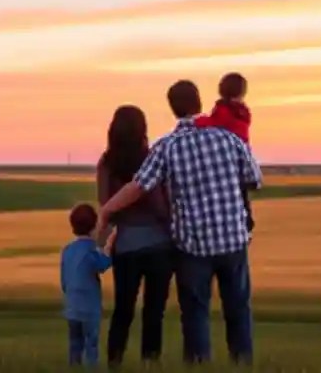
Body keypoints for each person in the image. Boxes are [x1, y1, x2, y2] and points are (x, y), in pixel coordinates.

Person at [97, 80, 263, 365]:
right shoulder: (229, 139)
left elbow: (138, 186)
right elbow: (254, 180)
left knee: (196, 311)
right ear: (200, 102)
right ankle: (242, 363)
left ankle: (199, 363)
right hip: (232, 239)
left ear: (172, 108)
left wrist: (106, 212)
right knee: (237, 308)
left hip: (193, 244)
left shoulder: (167, 147)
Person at [97, 105, 173, 365]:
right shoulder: (152, 157)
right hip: (160, 245)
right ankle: (150, 363)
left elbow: (106, 204)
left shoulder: (107, 163)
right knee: (154, 312)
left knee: (123, 310)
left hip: (126, 245)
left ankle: (114, 362)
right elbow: (162, 202)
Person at [194, 73, 255, 233]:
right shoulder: (243, 114)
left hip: (221, 169)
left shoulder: (223, 113)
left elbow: (210, 123)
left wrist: (196, 122)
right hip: (239, 170)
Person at [61, 203, 113, 367]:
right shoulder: (90, 250)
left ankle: (74, 367)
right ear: (93, 226)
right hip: (89, 309)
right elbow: (103, 265)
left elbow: (64, 279)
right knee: (91, 345)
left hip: (72, 307)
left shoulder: (67, 250)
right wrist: (109, 247)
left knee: (74, 345)